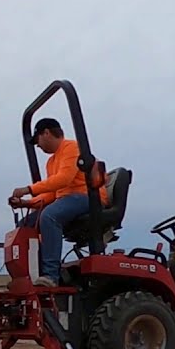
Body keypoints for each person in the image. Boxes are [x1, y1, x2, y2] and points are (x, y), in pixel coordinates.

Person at [9, 117, 108, 287]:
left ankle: (50, 276)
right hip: (66, 199)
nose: (38, 146)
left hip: (86, 198)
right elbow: (52, 194)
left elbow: (64, 179)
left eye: (37, 140)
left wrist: (28, 189)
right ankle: (31, 275)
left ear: (46, 133)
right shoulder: (51, 162)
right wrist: (27, 203)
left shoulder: (72, 147)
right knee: (26, 223)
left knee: (49, 216)